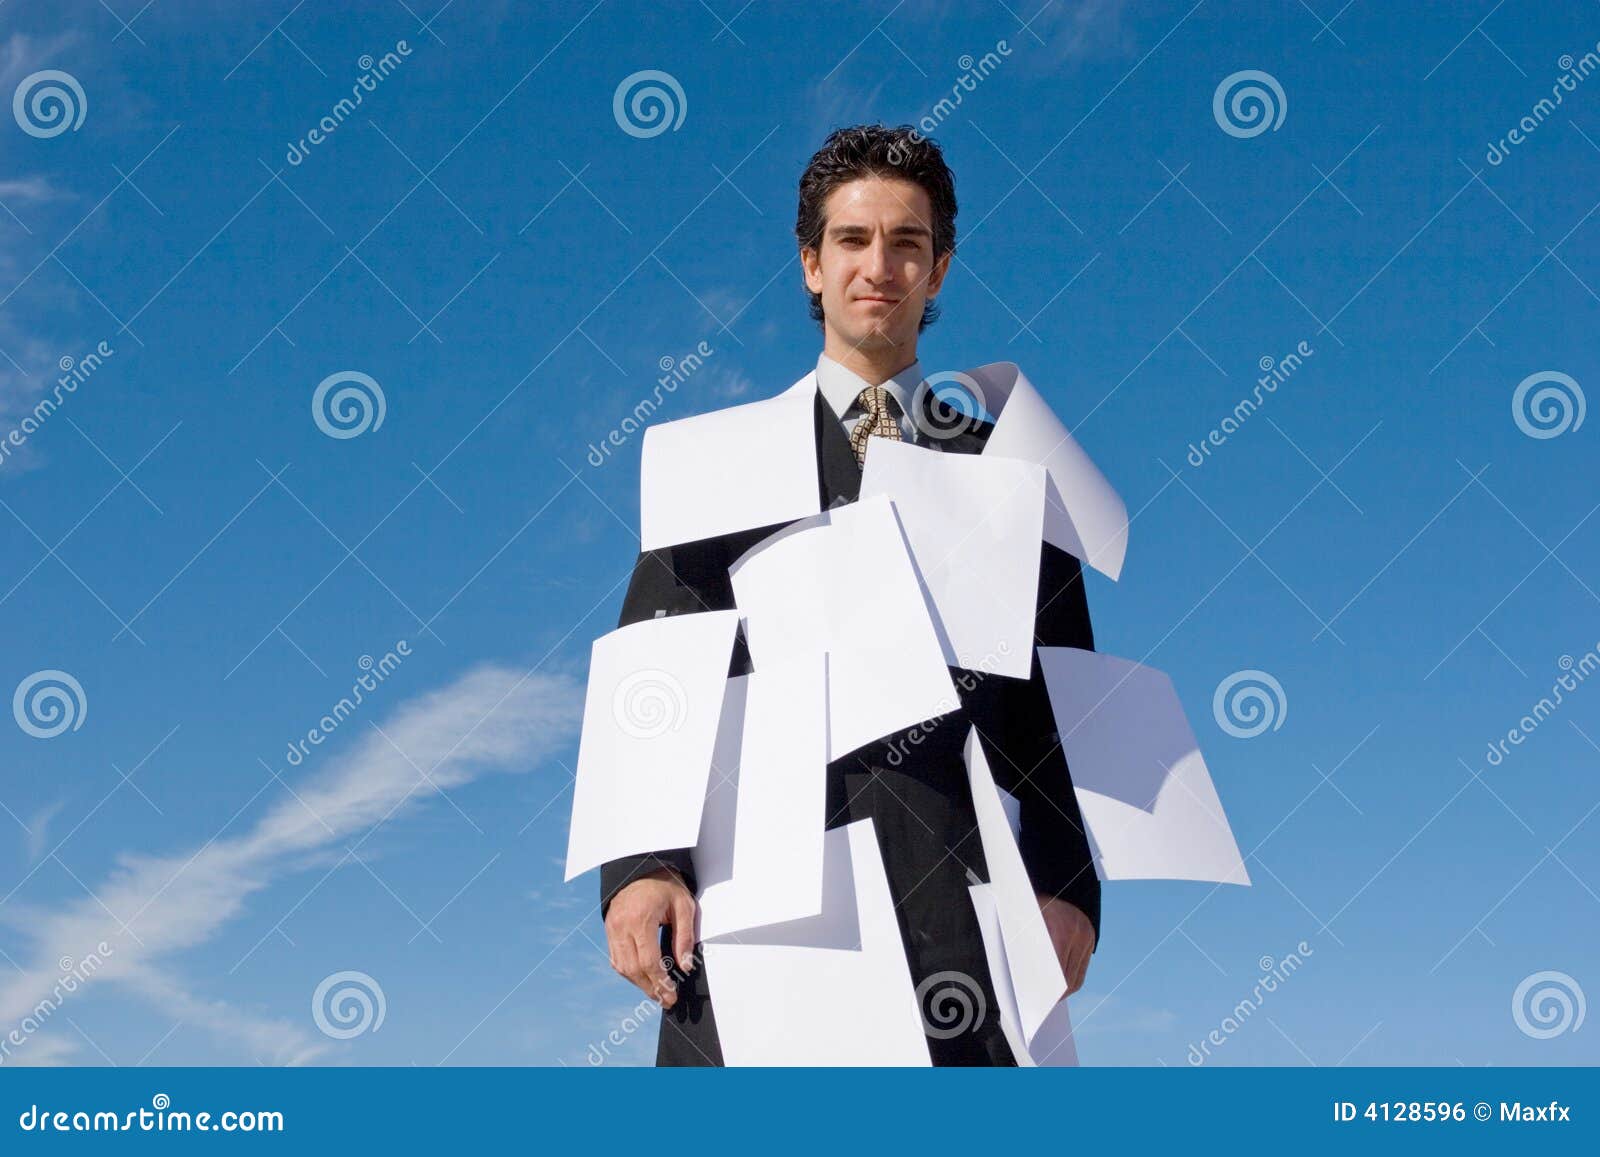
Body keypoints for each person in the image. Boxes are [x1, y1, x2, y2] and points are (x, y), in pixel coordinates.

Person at [598, 123, 1100, 1065]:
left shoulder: (1011, 466)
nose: (882, 265)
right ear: (811, 266)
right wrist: (642, 868)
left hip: (961, 906)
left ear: (940, 269)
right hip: (757, 909)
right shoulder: (715, 466)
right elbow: (656, 671)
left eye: (907, 243)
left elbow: (1057, 694)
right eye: (853, 241)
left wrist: (1068, 881)